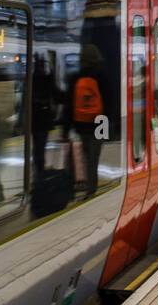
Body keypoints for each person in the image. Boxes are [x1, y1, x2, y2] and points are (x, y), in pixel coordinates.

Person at [63, 44, 111, 198]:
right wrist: (109, 123)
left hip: (81, 123)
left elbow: (69, 104)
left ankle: (84, 187)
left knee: (85, 155)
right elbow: (110, 101)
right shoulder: (103, 76)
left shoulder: (76, 77)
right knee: (94, 157)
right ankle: (91, 188)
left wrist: (67, 127)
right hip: (100, 121)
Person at [32, 53, 63, 179]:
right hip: (43, 118)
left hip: (34, 119)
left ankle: (38, 172)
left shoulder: (32, 78)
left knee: (37, 147)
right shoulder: (47, 79)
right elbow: (57, 95)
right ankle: (40, 173)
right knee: (40, 146)